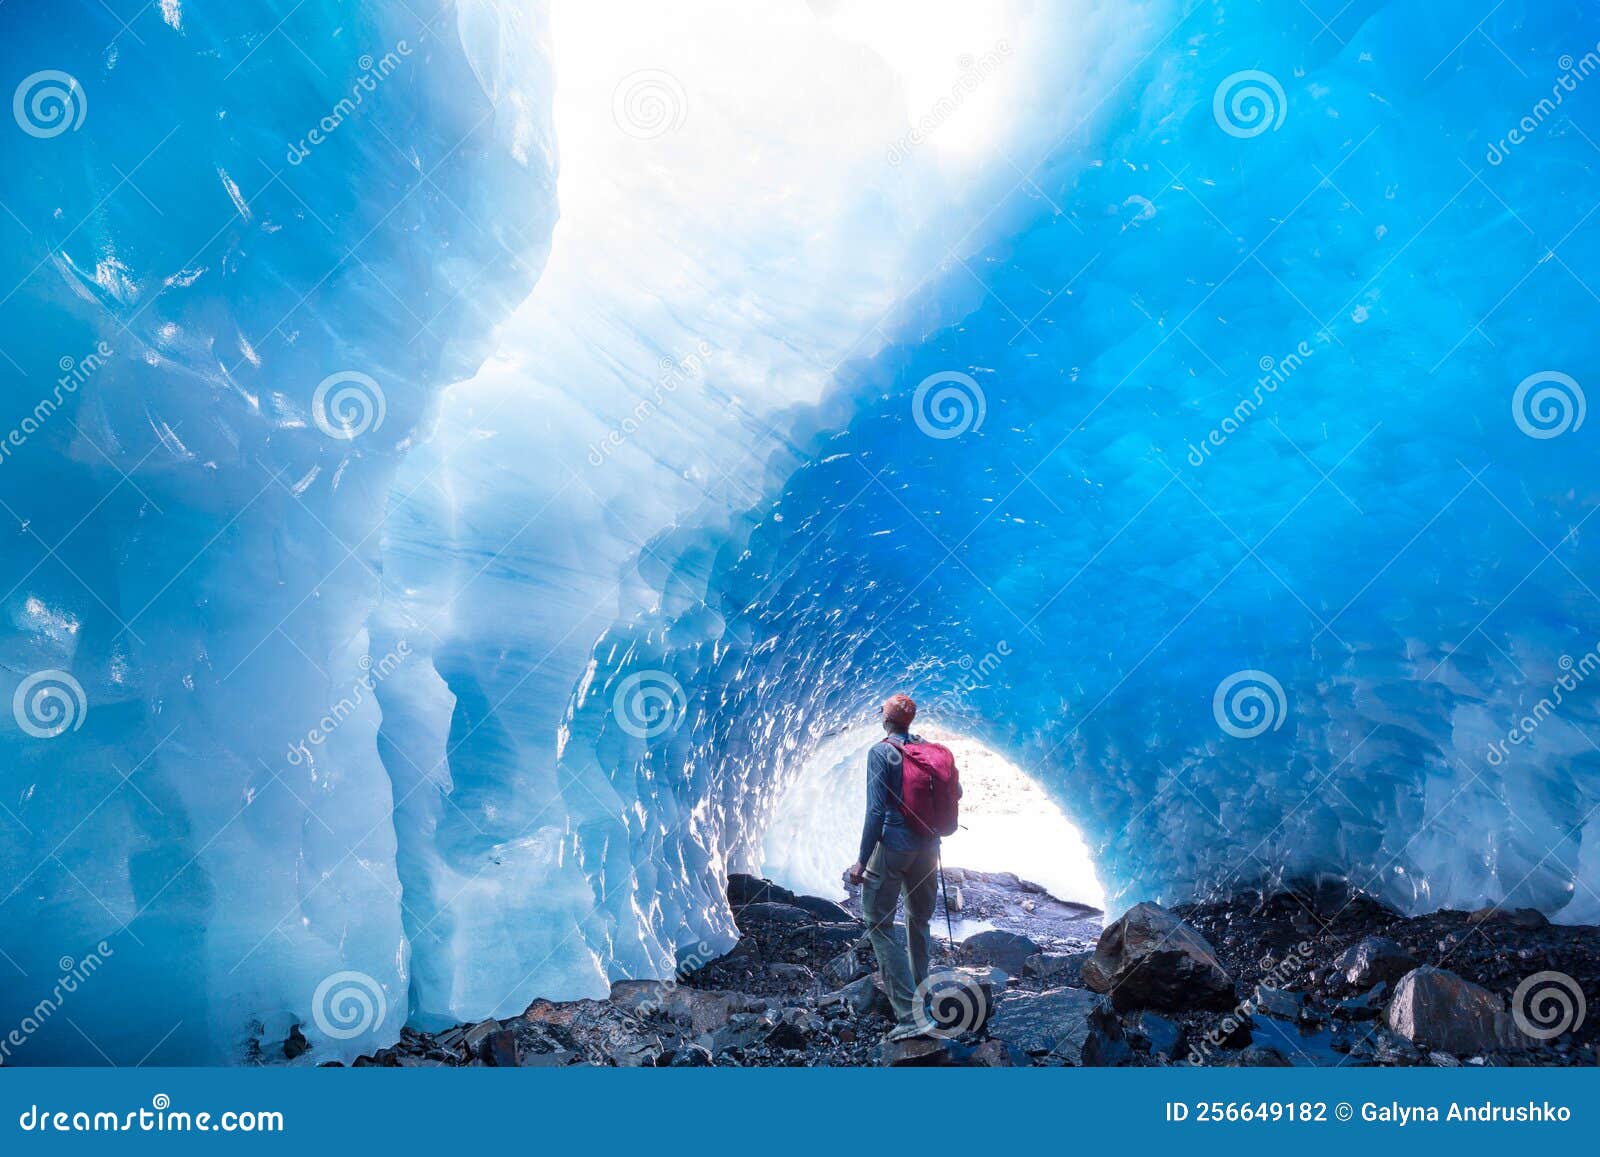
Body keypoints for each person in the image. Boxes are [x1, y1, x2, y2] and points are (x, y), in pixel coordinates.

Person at [845, 692, 944, 1041]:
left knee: (879, 923)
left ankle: (910, 1014)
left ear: (885, 719)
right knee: (919, 920)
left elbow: (875, 812)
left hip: (894, 849)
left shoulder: (881, 752)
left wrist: (861, 860)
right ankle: (923, 993)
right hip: (929, 847)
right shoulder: (929, 750)